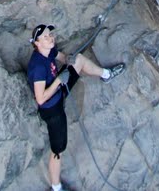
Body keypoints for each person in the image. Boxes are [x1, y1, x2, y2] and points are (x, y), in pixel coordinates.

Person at [28, 23, 124, 191]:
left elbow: (62, 57)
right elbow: (41, 99)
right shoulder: (38, 67)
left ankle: (106, 74)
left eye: (50, 34)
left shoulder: (49, 50)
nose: (50, 38)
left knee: (78, 59)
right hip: (52, 109)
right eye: (45, 37)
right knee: (58, 150)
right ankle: (56, 187)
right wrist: (59, 80)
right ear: (37, 43)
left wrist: (69, 60)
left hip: (59, 89)